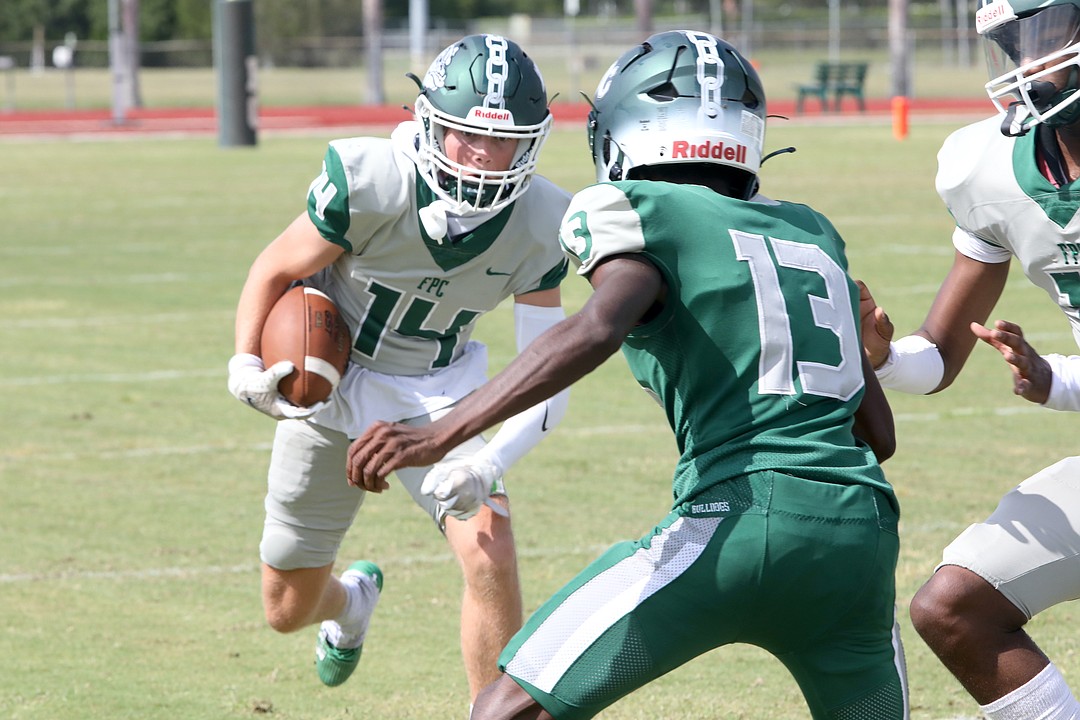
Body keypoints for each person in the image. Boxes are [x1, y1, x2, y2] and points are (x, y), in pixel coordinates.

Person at [346, 30, 910, 720]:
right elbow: (877, 435)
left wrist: (440, 434)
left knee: (500, 709)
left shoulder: (640, 209)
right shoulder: (811, 231)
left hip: (732, 521)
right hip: (860, 536)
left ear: (625, 131)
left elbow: (595, 328)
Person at [226, 34, 572, 703]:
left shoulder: (540, 222)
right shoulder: (373, 182)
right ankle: (350, 606)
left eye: (501, 141)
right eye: (465, 134)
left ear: (530, 143)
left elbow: (549, 373)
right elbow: (274, 268)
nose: (481, 155)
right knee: (284, 609)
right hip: (332, 383)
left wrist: (486, 465)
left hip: (441, 394)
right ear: (429, 124)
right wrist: (245, 361)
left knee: (490, 553)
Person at [858, 1, 1080, 717]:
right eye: (1014, 44)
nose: (1028, 61)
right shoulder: (988, 170)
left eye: (1048, 36)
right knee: (953, 606)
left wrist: (1057, 384)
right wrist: (885, 359)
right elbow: (938, 357)